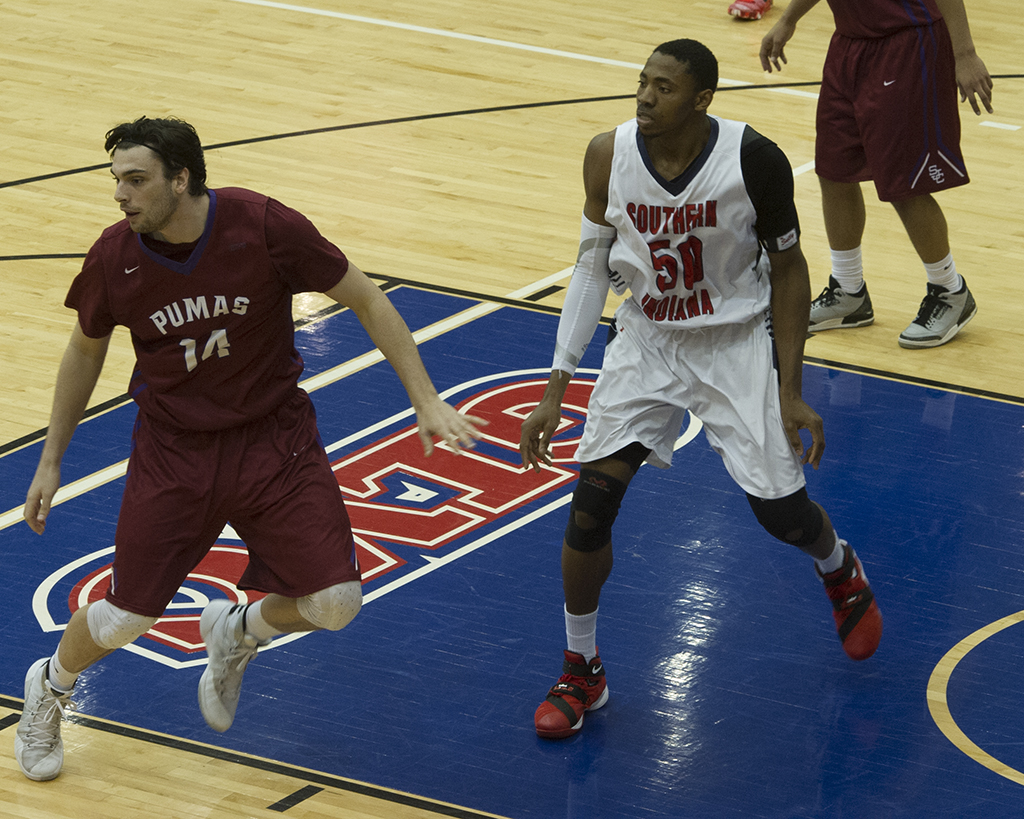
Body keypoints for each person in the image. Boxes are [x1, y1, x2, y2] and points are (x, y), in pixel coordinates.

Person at [16, 116, 485, 781]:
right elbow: (85, 348)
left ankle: (239, 631)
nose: (121, 195)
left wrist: (425, 396)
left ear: (182, 179)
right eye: (116, 180)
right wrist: (52, 458)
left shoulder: (263, 226)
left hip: (274, 439)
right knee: (125, 619)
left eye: (137, 180)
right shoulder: (115, 255)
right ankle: (50, 686)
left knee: (336, 603)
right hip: (176, 450)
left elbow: (365, 297)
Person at [519, 39, 882, 741]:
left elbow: (791, 272)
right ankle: (580, 668)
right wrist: (556, 383)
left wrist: (792, 389)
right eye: (642, 83)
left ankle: (839, 568)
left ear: (702, 99)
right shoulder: (608, 153)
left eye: (664, 87)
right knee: (590, 506)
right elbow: (591, 267)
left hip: (734, 341)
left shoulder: (754, 159)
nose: (646, 98)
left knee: (782, 515)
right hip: (649, 339)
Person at [759, 0, 993, 348]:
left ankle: (950, 290)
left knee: (904, 184)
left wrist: (965, 53)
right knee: (834, 169)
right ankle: (848, 291)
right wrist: (788, 19)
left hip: (907, 45)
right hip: (849, 44)